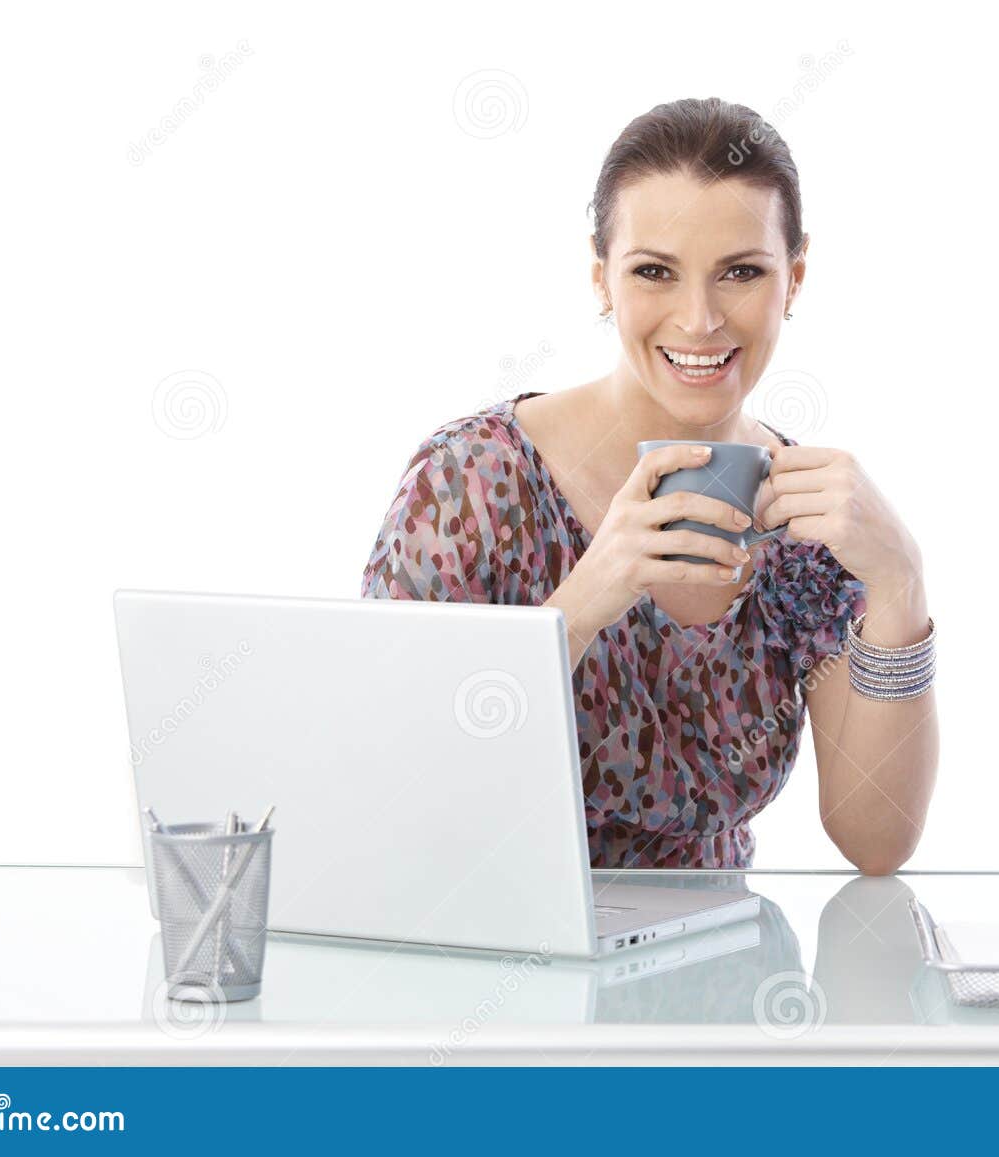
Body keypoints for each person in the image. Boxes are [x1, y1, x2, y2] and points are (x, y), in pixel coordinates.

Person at [362, 97, 937, 873]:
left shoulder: (809, 518)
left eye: (740, 271)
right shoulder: (473, 481)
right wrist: (589, 594)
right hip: (495, 958)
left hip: (719, 971)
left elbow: (876, 841)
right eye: (654, 272)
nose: (699, 320)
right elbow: (386, 783)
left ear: (793, 280)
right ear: (602, 280)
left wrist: (899, 580)